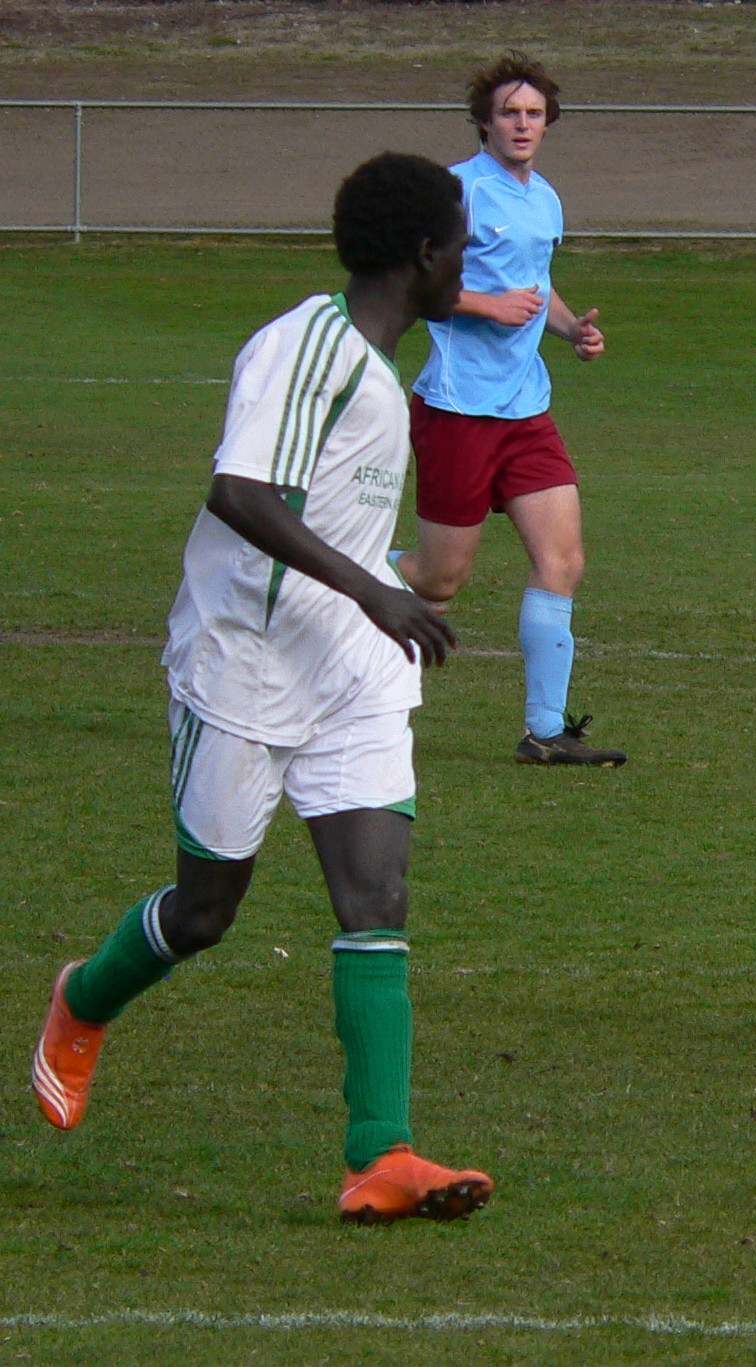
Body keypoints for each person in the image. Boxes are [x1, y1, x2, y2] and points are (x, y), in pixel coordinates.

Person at [31, 152, 496, 1224]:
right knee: (205, 910)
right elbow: (240, 490)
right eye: (461, 240)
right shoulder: (311, 349)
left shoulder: (381, 369)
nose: (467, 256)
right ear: (424, 255)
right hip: (242, 659)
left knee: (375, 895)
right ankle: (82, 997)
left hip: (349, 666)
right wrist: (375, 591)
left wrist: (368, 606)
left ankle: (379, 1152)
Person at [393, 50, 626, 767]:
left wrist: (570, 332)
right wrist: (484, 304)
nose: (522, 124)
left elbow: (538, 285)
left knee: (562, 559)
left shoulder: (546, 199)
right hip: (459, 409)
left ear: (547, 122)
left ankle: (545, 731)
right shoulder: (455, 193)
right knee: (440, 580)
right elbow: (407, 281)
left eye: (533, 113)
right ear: (484, 123)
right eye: (508, 113)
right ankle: (333, 569)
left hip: (526, 411)